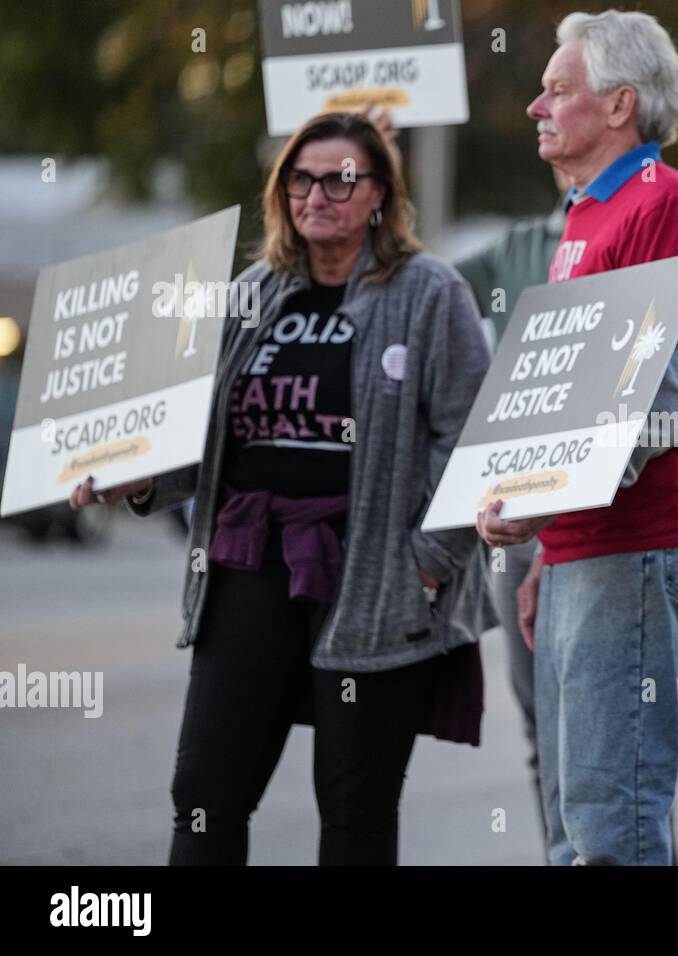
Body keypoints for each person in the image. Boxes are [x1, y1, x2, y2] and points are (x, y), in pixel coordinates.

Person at [69, 112, 493, 865]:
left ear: (379, 195)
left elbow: (468, 442)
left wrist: (427, 560)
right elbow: (205, 436)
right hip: (245, 570)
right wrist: (135, 476)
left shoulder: (430, 293)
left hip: (370, 583)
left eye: (340, 179)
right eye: (302, 178)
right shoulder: (255, 292)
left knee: (355, 811)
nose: (317, 194)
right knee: (204, 796)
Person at [475, 10, 678, 866]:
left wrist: (548, 502)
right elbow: (577, 407)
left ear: (620, 104)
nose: (535, 107)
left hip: (638, 543)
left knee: (611, 823)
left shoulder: (668, 206)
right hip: (585, 548)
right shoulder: (589, 213)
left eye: (557, 89)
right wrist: (552, 541)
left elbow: (673, 401)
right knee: (576, 817)